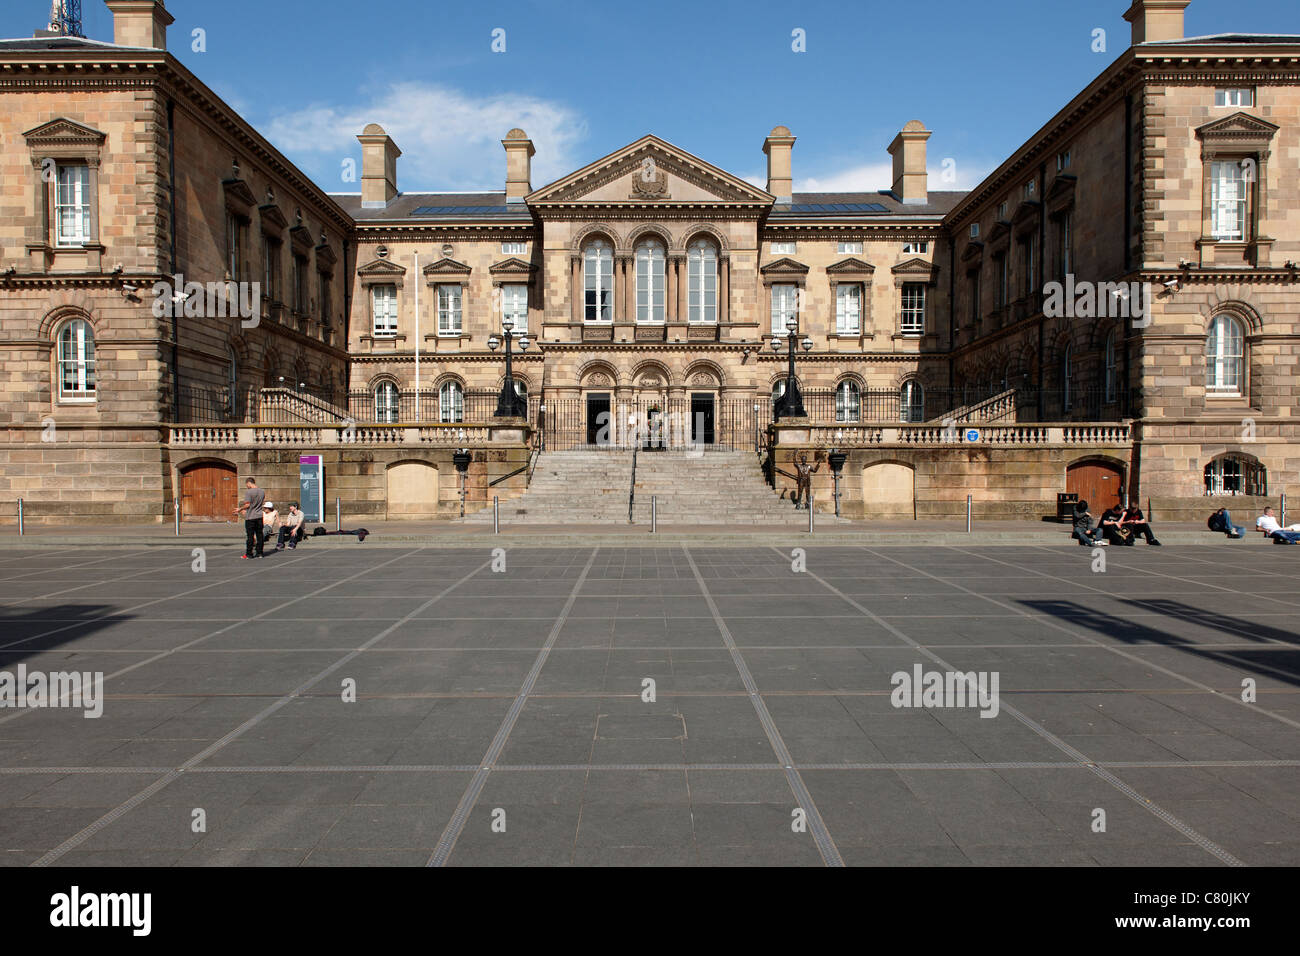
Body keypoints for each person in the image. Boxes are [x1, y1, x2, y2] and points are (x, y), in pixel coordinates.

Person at [232, 477, 265, 559]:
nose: (247, 486)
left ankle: (249, 554)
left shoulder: (249, 492)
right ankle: (259, 553)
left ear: (249, 483)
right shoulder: (262, 491)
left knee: (250, 536)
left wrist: (240, 509)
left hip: (250, 517)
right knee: (259, 535)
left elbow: (247, 505)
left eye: (247, 484)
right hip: (259, 516)